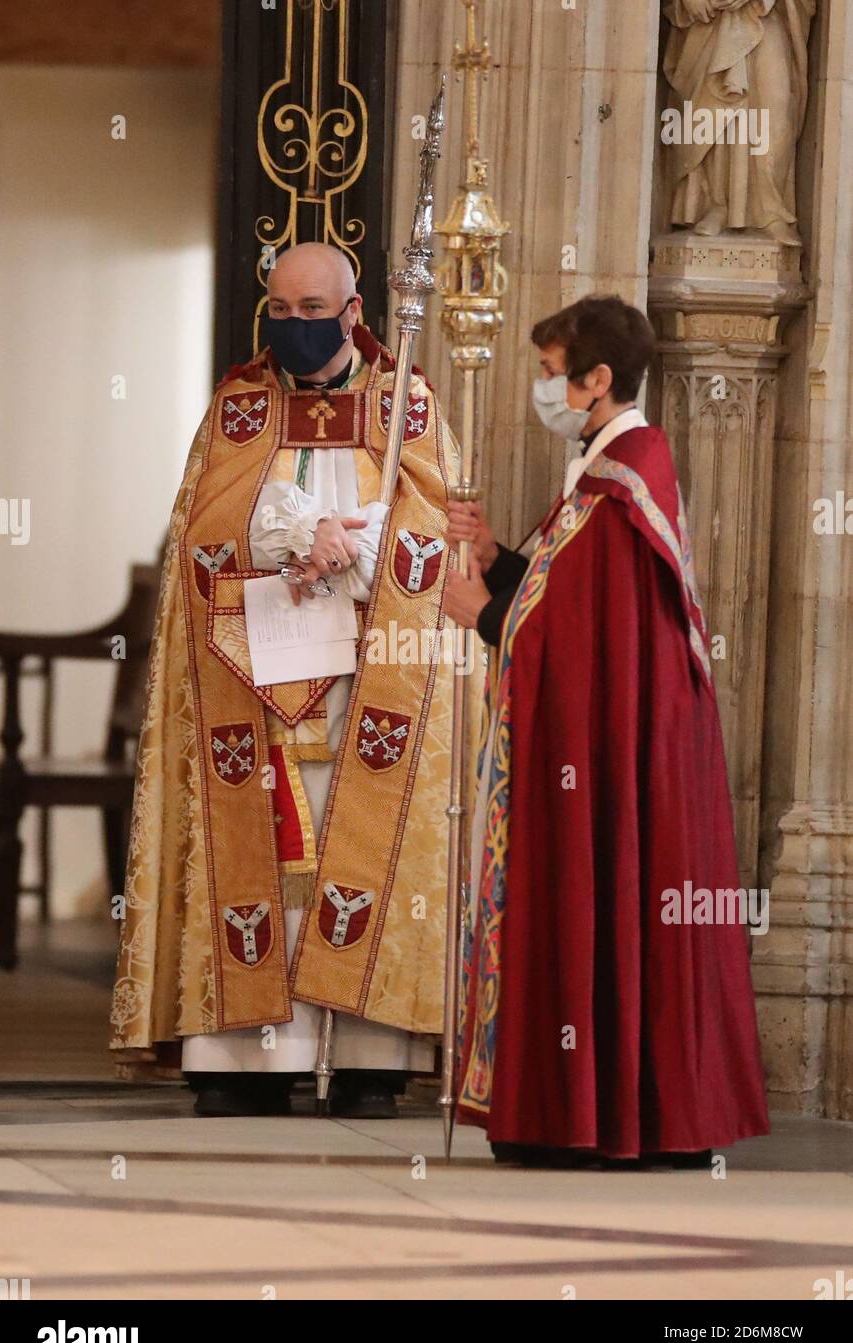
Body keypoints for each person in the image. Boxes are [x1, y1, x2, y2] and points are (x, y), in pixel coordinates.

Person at [110, 242, 482, 1118]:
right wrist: (280, 546)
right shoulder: (237, 410)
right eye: (281, 311)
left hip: (366, 683)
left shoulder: (409, 411)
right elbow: (197, 545)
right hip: (256, 678)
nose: (297, 328)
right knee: (271, 860)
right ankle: (247, 1060)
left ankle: (366, 1056)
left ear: (356, 314)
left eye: (315, 312)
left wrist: (359, 547)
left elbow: (442, 543)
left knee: (356, 851)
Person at [443, 294, 769, 1166]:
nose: (542, 391)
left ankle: (609, 1118)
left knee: (616, 891)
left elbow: (582, 637)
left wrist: (484, 617)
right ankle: (589, 1112)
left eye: (552, 375)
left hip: (626, 753)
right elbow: (577, 603)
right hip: (613, 746)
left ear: (597, 379)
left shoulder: (632, 472)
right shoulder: (600, 472)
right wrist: (502, 561)